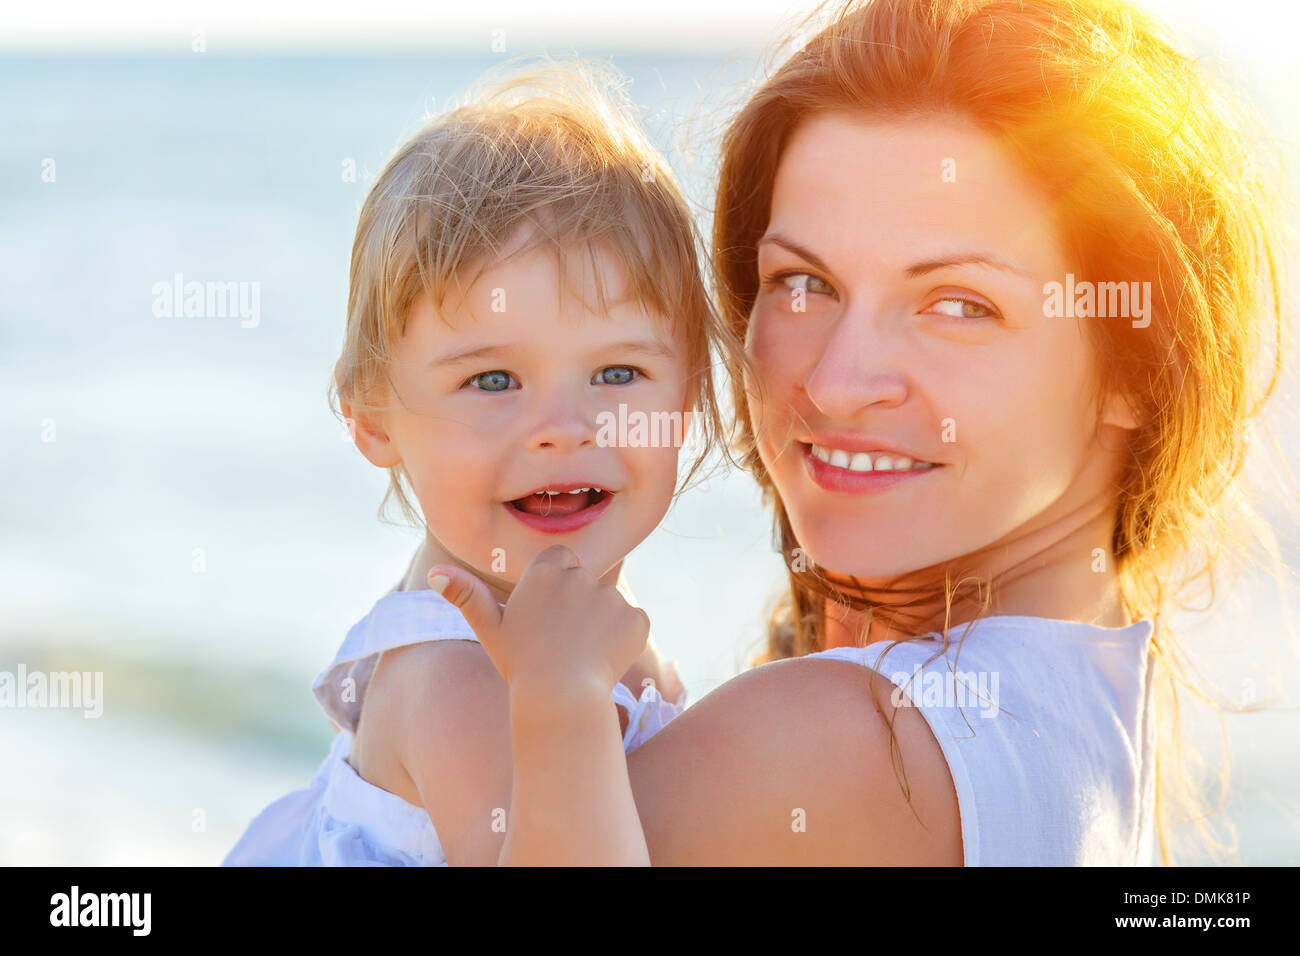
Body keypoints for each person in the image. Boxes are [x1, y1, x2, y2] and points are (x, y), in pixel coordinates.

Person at [432, 0, 1289, 865]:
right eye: (804, 282)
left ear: (1136, 366)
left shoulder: (839, 747)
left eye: (960, 304)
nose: (837, 382)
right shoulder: (1081, 716)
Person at [222, 58, 741, 866]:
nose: (565, 429)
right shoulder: (454, 682)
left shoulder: (580, 609)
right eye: (492, 379)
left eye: (617, 374)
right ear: (372, 415)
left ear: (693, 393)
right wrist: (562, 701)